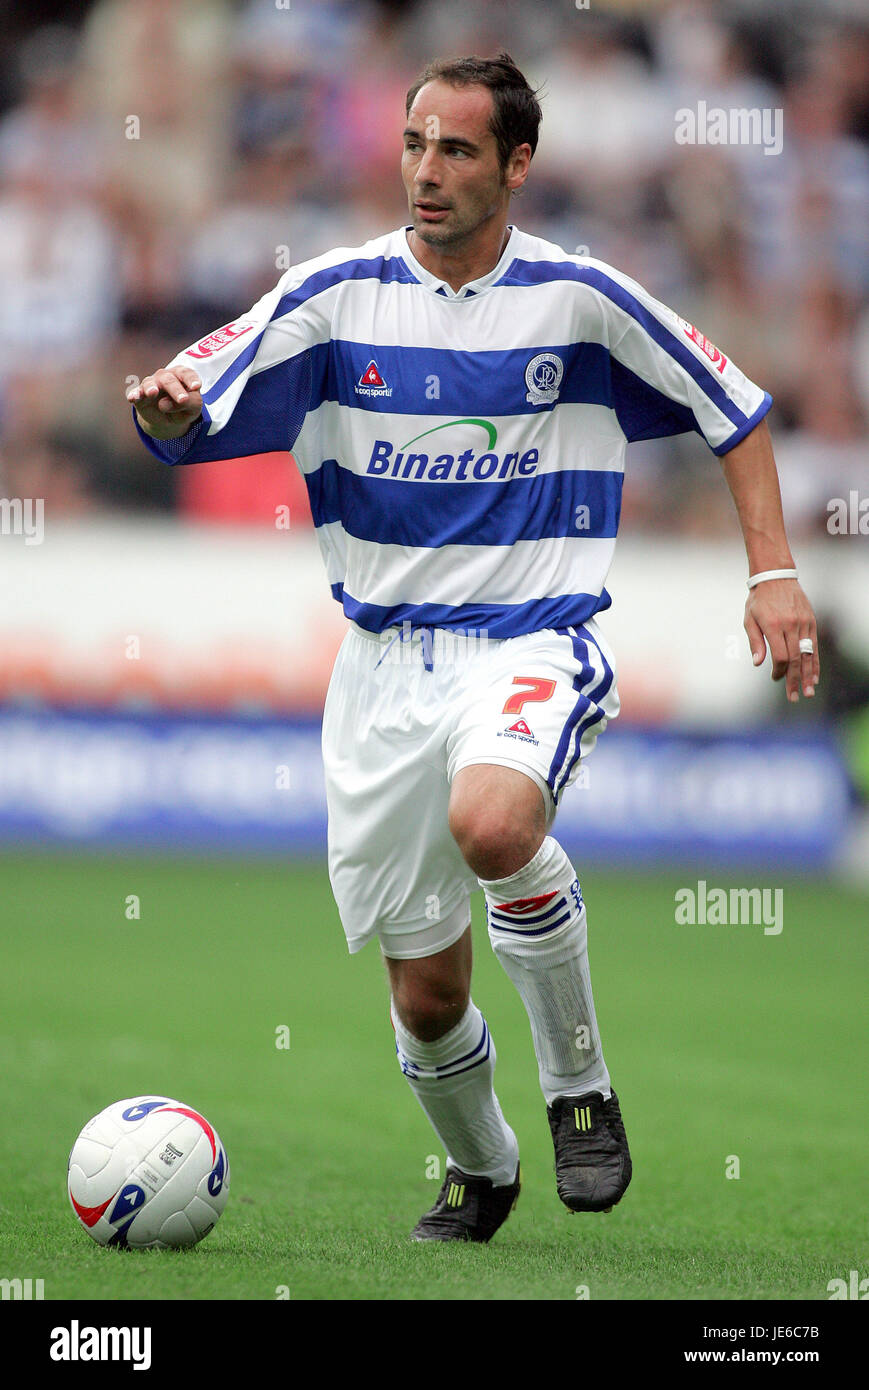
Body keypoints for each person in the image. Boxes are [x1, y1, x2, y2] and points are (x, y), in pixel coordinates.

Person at [128, 52, 820, 1243]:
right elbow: (199, 380)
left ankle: (576, 1087)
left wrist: (770, 572)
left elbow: (734, 408)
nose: (426, 172)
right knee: (426, 992)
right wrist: (166, 404)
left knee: (495, 824)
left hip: (531, 636)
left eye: (455, 149)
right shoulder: (336, 294)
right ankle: (482, 1167)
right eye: (412, 145)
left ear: (516, 163)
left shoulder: (581, 295)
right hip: (383, 669)